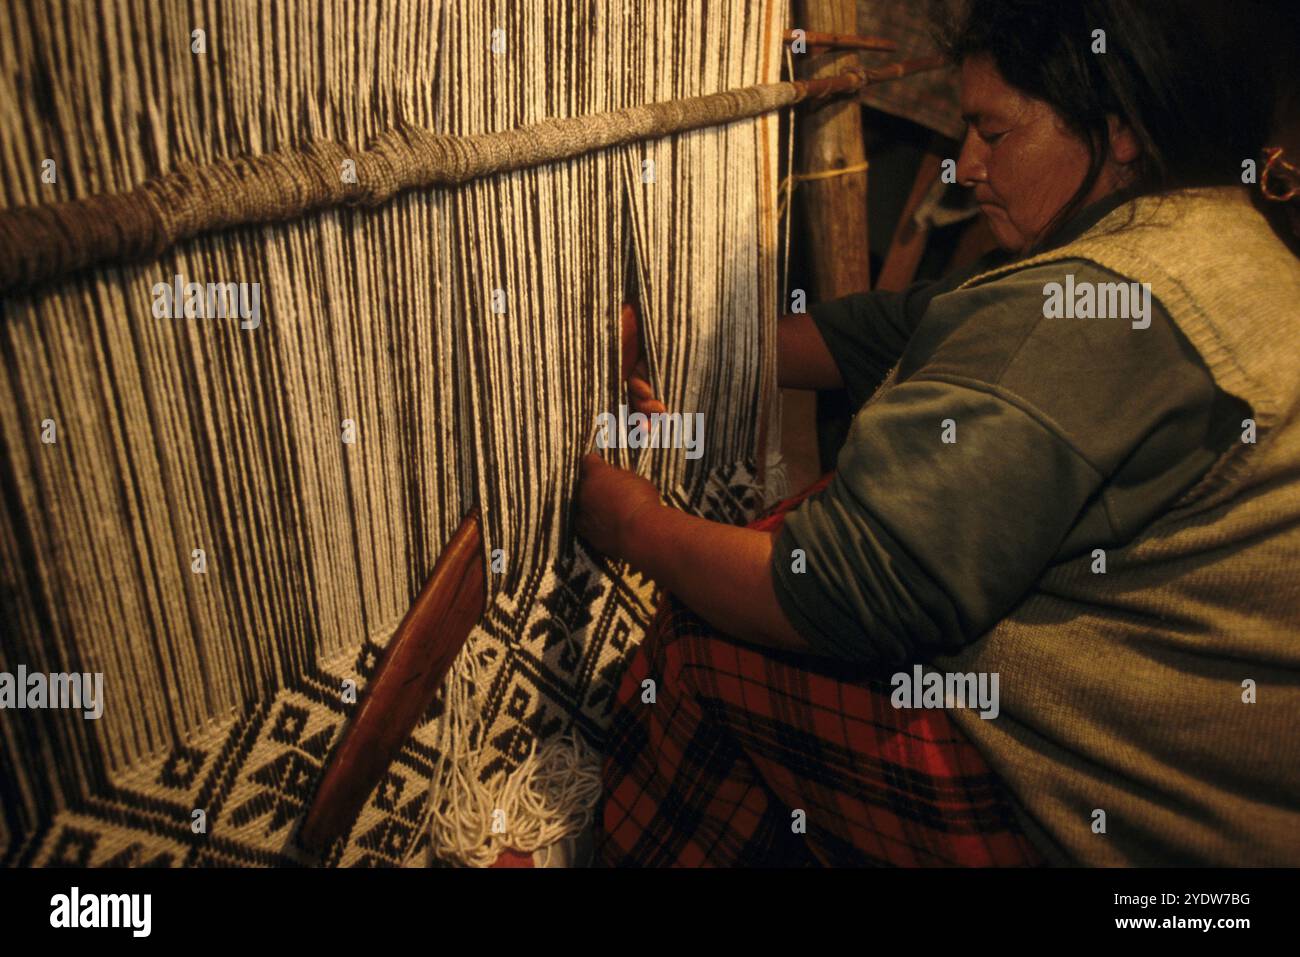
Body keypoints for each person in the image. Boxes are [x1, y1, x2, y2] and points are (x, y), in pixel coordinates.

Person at [575, 0, 1300, 866]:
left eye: (993, 131)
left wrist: (633, 524)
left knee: (707, 639)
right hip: (1239, 798)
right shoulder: (1212, 238)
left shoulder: (1084, 314)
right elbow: (897, 331)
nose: (965, 165)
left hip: (1124, 823)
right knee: (798, 522)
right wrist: (664, 344)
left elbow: (843, 598)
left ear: (1119, 133)